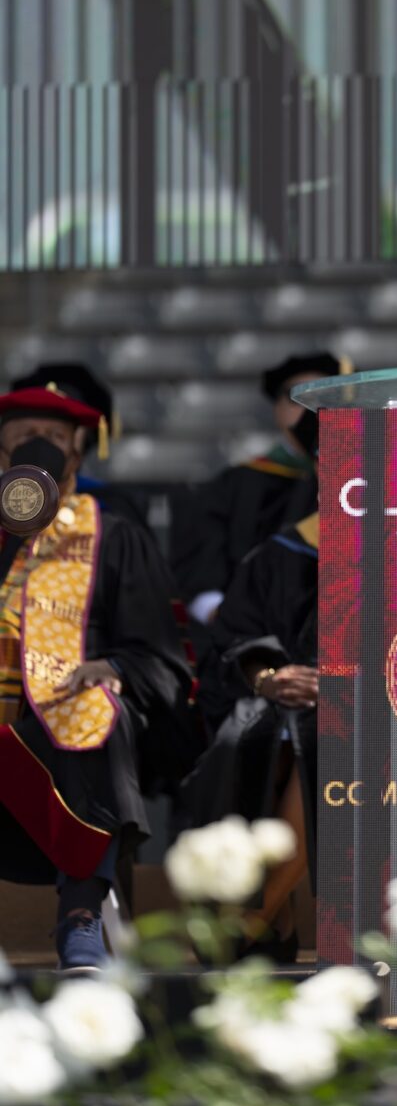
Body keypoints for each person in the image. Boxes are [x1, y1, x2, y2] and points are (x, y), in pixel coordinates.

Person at [0, 384, 199, 970]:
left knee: (94, 715)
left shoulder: (112, 535)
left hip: (60, 714)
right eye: (22, 443)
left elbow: (154, 649)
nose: (40, 451)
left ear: (79, 456)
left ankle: (80, 914)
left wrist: (110, 668)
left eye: (54, 442)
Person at [186, 410, 320, 962]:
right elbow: (234, 638)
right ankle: (261, 918)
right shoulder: (282, 553)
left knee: (327, 742)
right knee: (246, 741)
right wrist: (268, 677)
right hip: (284, 707)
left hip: (386, 707)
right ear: (319, 465)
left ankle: (251, 922)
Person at [171, 352, 342, 626]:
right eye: (298, 395)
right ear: (276, 409)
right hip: (241, 631)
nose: (313, 405)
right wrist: (227, 620)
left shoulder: (358, 485)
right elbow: (202, 575)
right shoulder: (235, 485)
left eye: (328, 394)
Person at [11, 361, 148, 528]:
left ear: (86, 437)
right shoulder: (8, 499)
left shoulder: (110, 507)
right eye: (30, 432)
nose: (45, 442)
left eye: (59, 433)